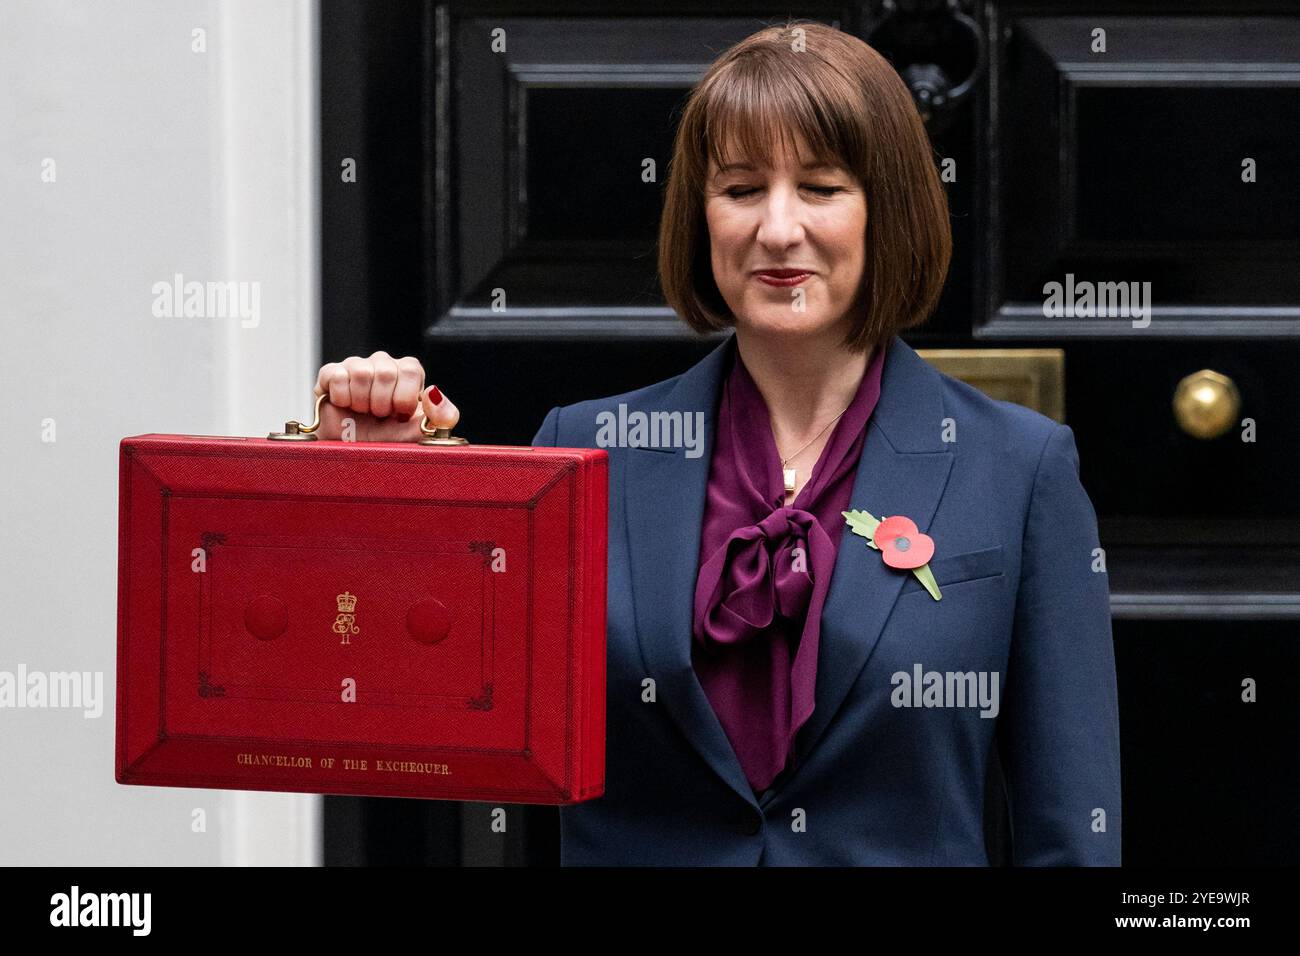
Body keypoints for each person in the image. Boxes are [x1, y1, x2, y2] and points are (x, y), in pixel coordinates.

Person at [314, 22, 1121, 866]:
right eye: (740, 189)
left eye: (820, 187)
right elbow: (418, 706)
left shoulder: (1020, 468)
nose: (777, 229)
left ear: (890, 209)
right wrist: (372, 484)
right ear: (700, 216)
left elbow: (1072, 833)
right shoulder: (587, 453)